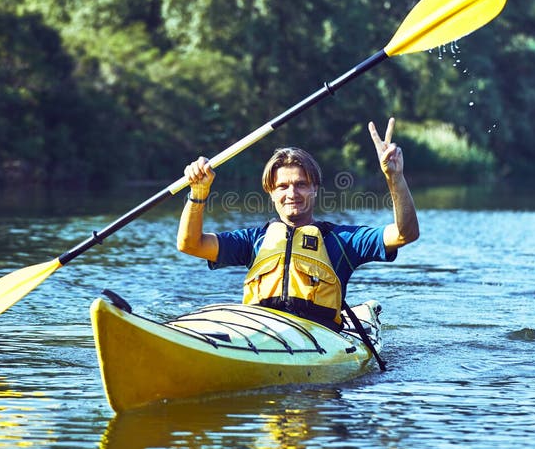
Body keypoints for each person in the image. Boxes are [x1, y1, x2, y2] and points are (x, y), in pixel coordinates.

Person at [177, 117, 419, 329]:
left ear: (315, 188)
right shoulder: (253, 241)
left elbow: (404, 234)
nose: (291, 193)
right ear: (270, 192)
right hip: (261, 333)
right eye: (282, 186)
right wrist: (198, 190)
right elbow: (190, 244)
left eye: (301, 184)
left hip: (319, 338)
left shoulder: (343, 241)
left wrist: (394, 177)